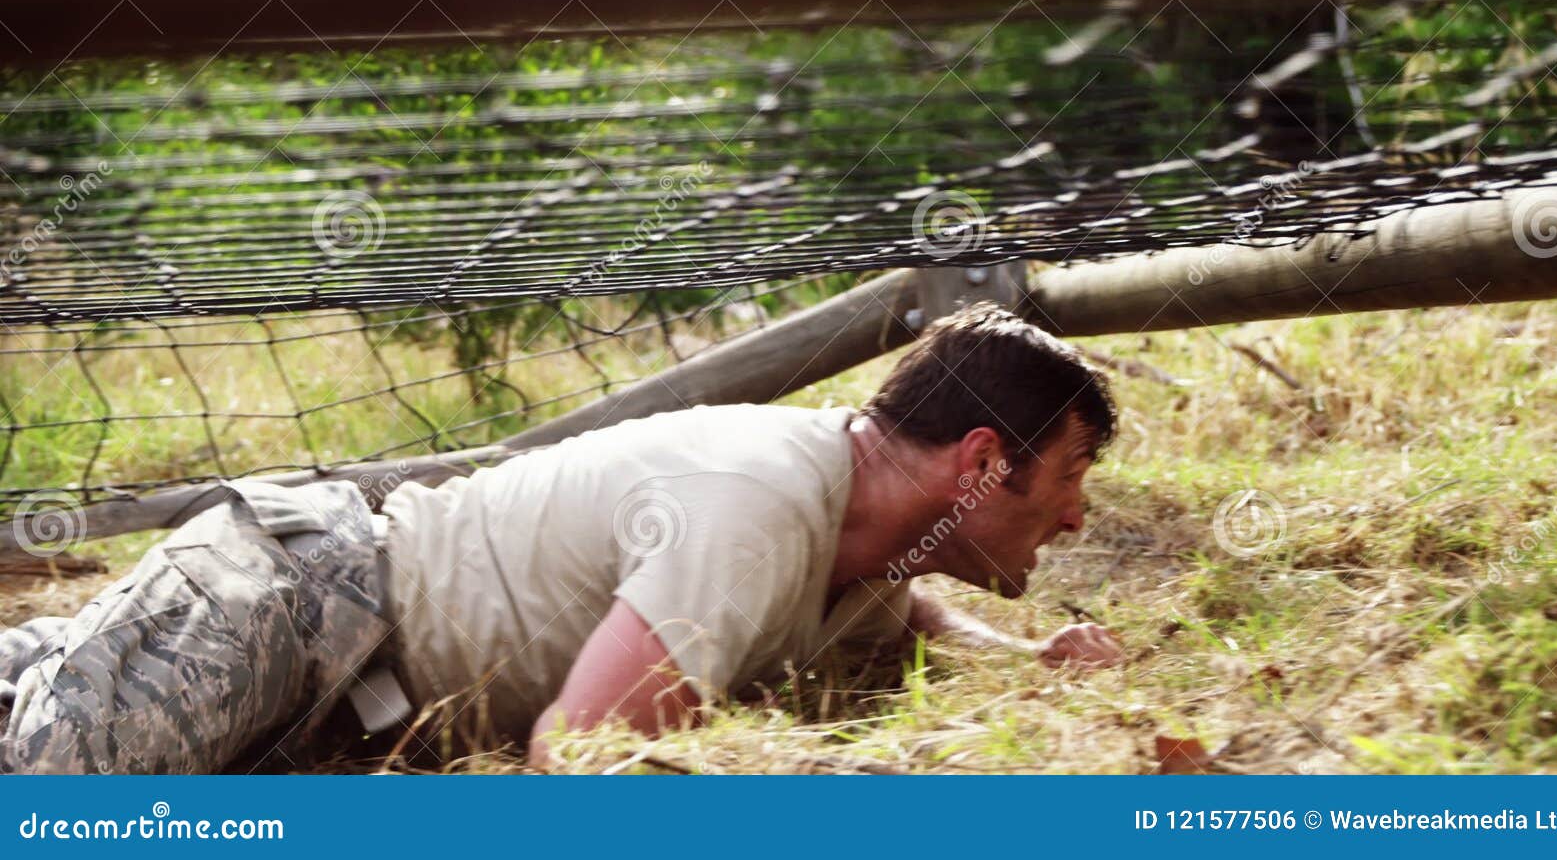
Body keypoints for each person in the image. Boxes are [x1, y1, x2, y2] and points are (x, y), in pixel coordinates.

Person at [0, 303, 1122, 774]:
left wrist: (1029, 663)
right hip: (289, 602)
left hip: (344, 700)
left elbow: (903, 613)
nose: (1073, 515)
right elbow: (578, 754)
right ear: (979, 465)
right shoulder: (755, 502)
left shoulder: (872, 537)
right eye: (1068, 476)